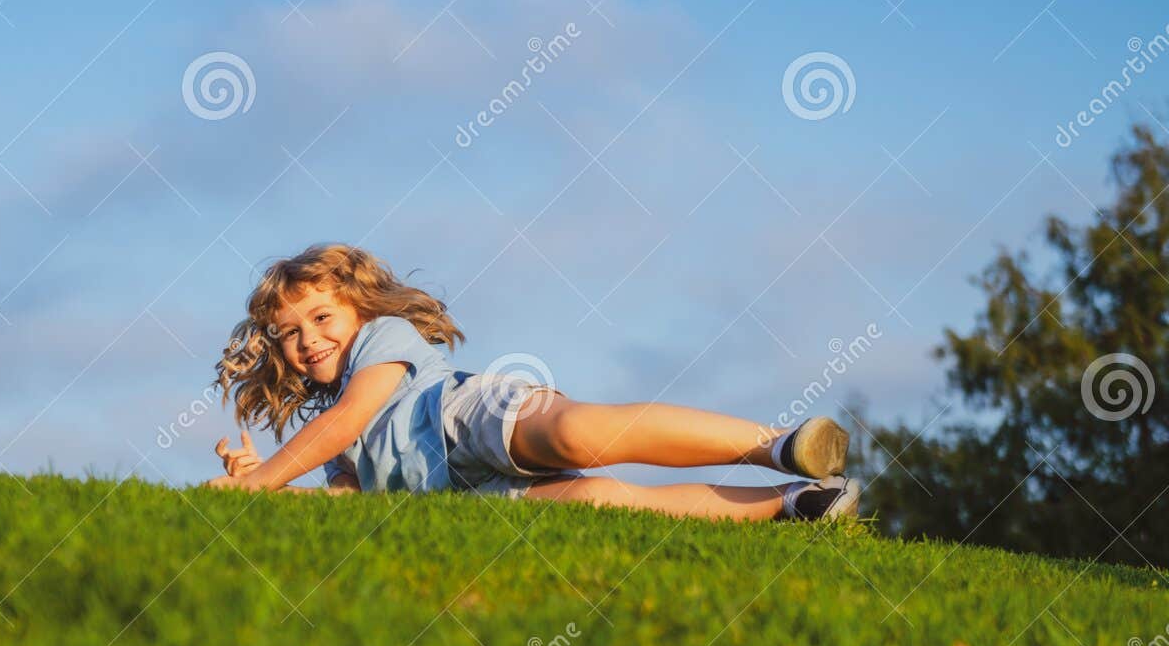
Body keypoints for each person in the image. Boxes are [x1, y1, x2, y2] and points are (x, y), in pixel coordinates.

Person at [207, 243, 859, 522]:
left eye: (320, 317)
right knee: (602, 503)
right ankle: (793, 502)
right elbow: (345, 505)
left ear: (361, 309)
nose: (308, 339)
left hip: (465, 415)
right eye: (289, 333)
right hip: (463, 496)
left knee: (579, 435)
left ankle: (779, 443)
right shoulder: (336, 452)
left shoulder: (382, 344)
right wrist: (258, 493)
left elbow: (349, 416)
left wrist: (268, 476)